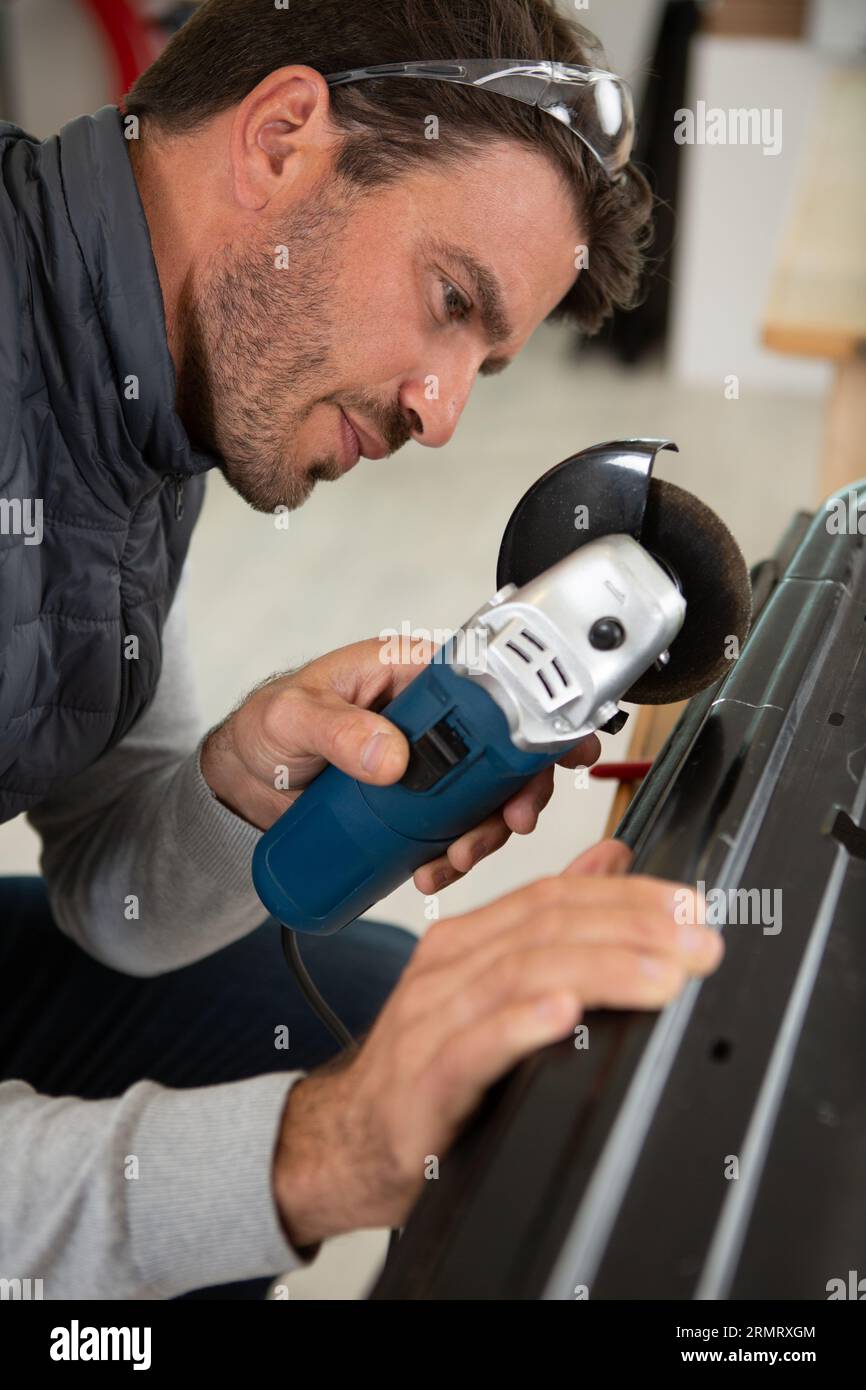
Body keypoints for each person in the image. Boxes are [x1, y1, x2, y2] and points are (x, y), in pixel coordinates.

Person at [0, 0, 723, 1300]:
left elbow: (106, 889)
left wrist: (241, 786)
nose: (439, 414)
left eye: (483, 363)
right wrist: (315, 1155)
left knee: (392, 1004)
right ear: (279, 140)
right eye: (448, 300)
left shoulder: (147, 384)